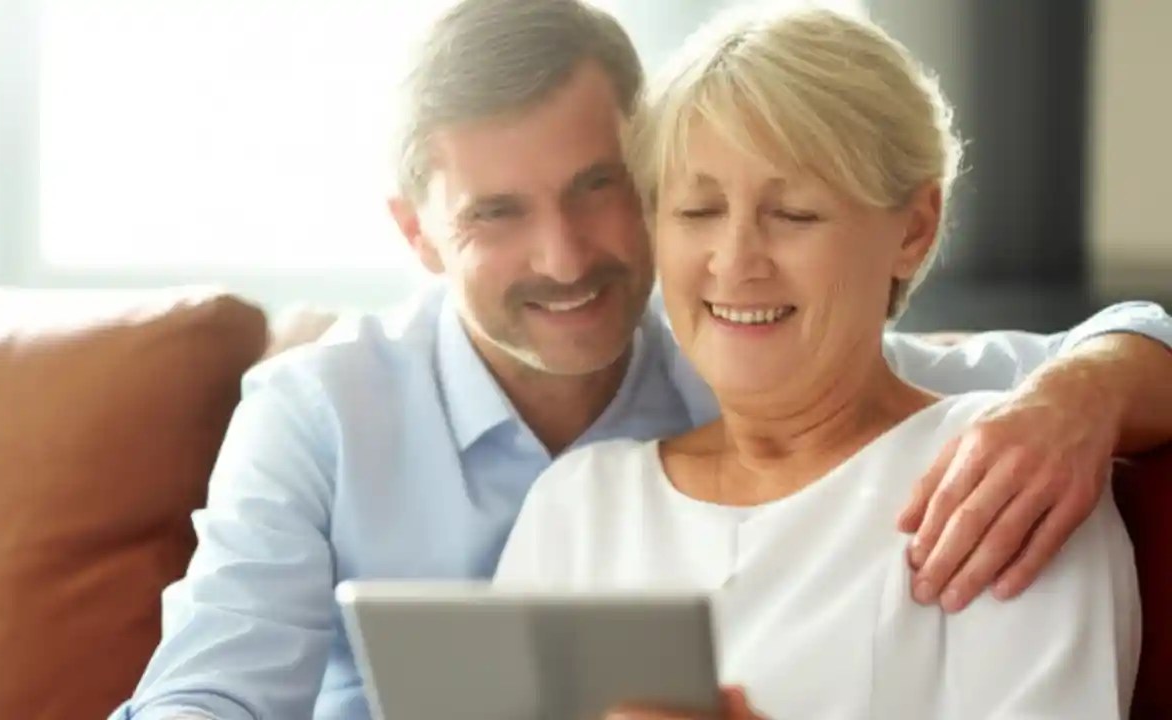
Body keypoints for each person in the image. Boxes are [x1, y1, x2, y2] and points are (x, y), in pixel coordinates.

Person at [114, 1, 1172, 718]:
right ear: (417, 235)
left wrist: (1088, 389)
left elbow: (1098, 354)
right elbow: (205, 697)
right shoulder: (341, 420)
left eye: (595, 187)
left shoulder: (966, 447)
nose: (564, 256)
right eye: (495, 213)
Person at [495, 6, 1161, 719]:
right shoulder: (579, 504)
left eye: (795, 214)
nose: (735, 261)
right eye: (697, 212)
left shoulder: (1001, 476)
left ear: (914, 229)